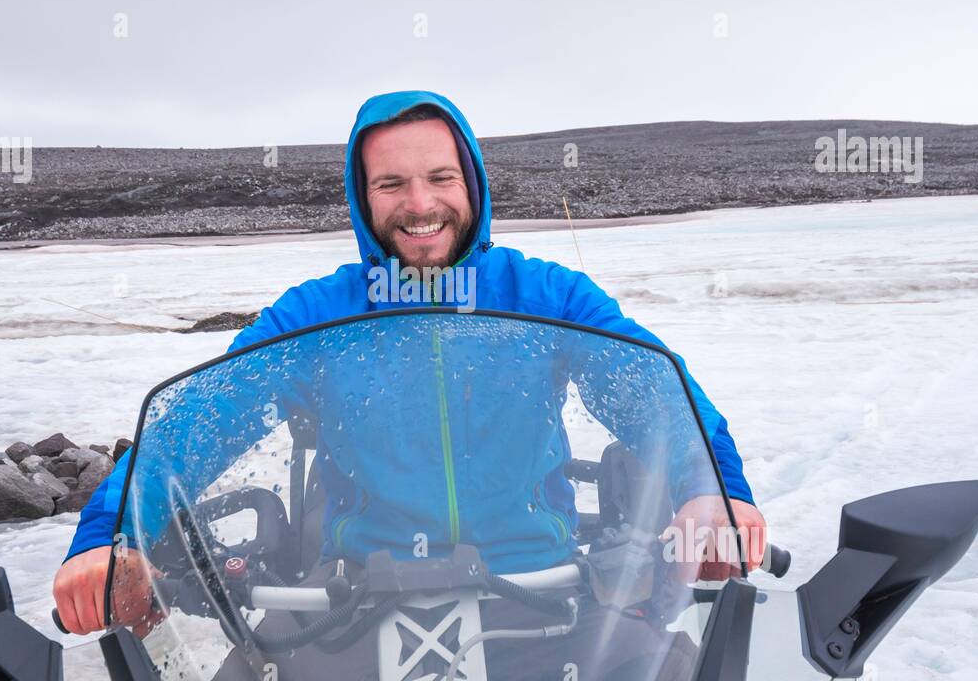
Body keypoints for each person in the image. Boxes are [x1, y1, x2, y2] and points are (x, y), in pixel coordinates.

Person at [53, 90, 765, 637]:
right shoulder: (319, 314)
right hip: (353, 609)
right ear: (363, 201)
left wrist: (711, 487)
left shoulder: (544, 293)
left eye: (440, 177)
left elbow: (646, 386)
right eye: (391, 184)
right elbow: (199, 420)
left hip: (544, 595)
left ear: (473, 185)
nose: (420, 205)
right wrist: (109, 538)